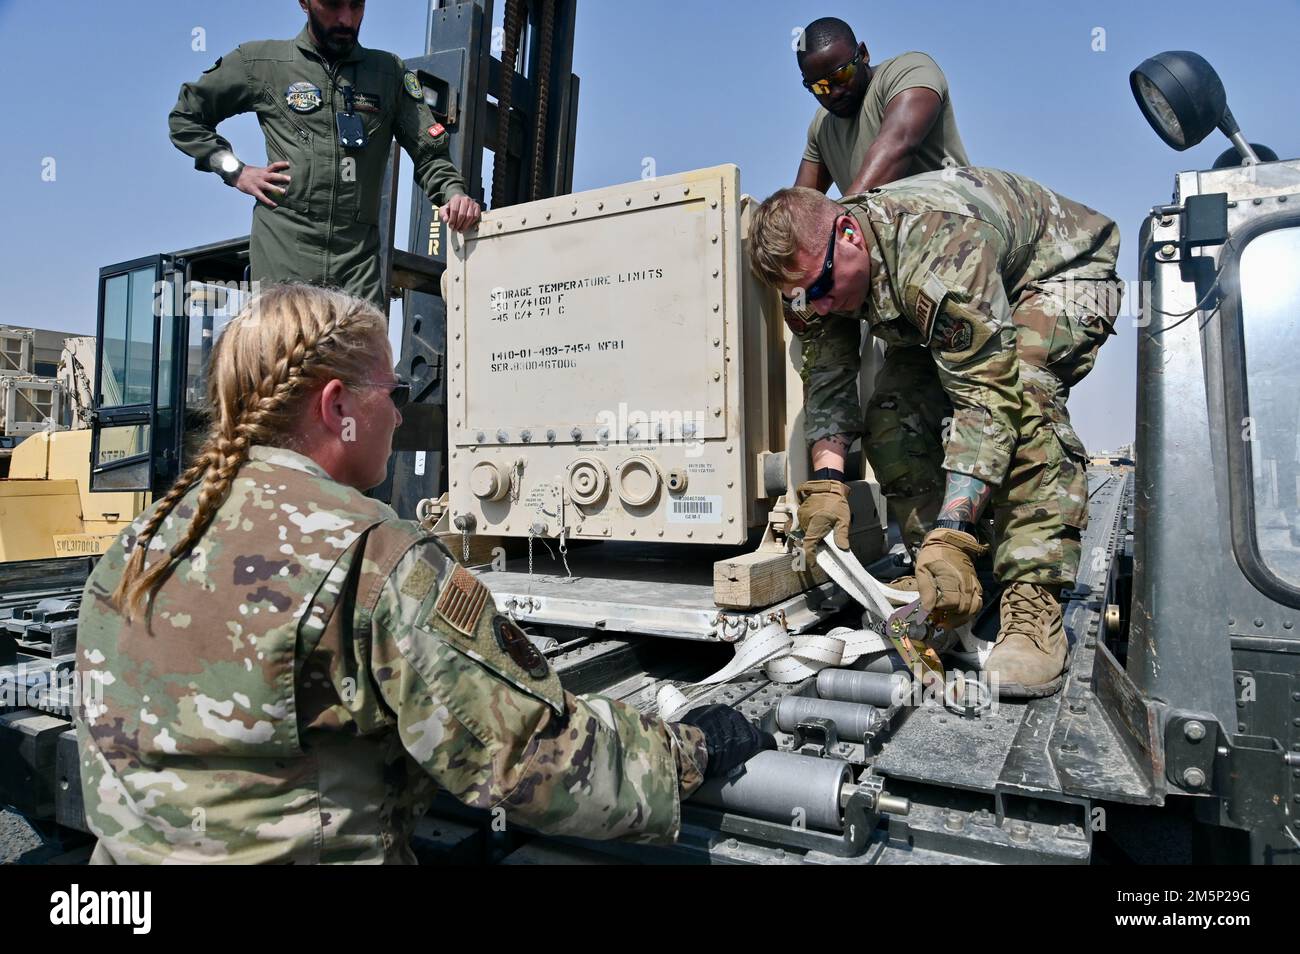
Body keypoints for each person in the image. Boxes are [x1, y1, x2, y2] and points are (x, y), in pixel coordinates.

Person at [73, 284, 769, 863]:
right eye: (393, 389)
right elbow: (536, 762)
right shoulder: (374, 556)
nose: (401, 413)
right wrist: (689, 749)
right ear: (337, 406)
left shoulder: (138, 541)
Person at [748, 169, 1121, 697]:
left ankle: (1033, 599)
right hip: (964, 297)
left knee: (1027, 390)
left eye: (825, 289)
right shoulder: (815, 279)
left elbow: (986, 398)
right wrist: (828, 486)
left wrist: (953, 529)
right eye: (807, 299)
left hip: (1061, 273)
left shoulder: (937, 243)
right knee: (894, 414)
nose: (822, 306)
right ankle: (944, 583)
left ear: (849, 235)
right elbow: (829, 379)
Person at [168, 0, 482, 308]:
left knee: (360, 355)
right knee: (286, 357)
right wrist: (235, 170)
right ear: (304, 3)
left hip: (357, 266)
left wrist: (453, 194)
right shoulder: (261, 63)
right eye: (333, 6)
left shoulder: (388, 73)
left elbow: (430, 153)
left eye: (356, 6)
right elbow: (186, 118)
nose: (346, 19)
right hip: (285, 256)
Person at [793, 17, 969, 196]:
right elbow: (802, 203)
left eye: (842, 75)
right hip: (890, 223)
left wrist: (841, 219)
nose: (834, 92)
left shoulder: (910, 72)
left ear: (863, 54)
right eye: (819, 86)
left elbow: (897, 147)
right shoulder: (821, 126)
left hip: (955, 218)